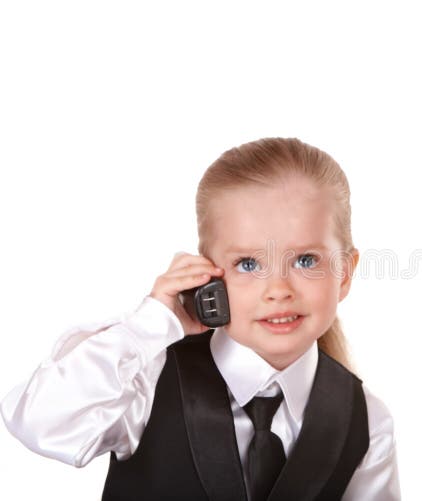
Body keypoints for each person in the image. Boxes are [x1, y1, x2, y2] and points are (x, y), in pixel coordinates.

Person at [2, 137, 401, 500]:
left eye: (305, 260)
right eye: (248, 263)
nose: (278, 289)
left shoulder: (366, 420)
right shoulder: (147, 377)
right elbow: (39, 421)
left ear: (345, 274)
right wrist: (153, 324)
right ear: (207, 273)